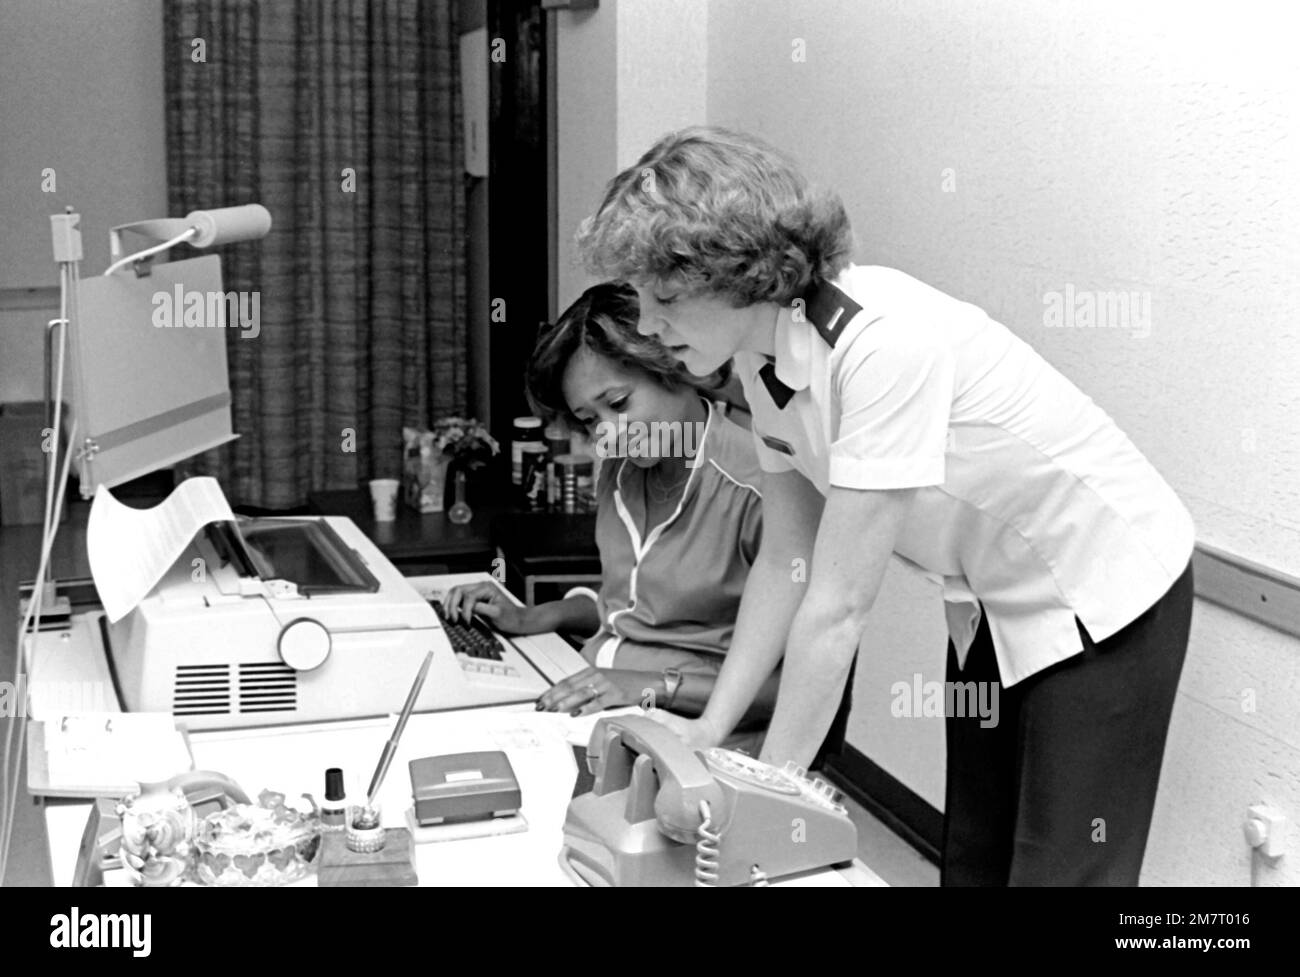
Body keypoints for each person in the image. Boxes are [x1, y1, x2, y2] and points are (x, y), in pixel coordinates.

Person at [575, 126, 1196, 886]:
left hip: (1103, 589)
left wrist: (766, 797)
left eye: (664, 296)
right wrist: (712, 726)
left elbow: (837, 610)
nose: (646, 324)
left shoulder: (881, 346)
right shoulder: (762, 361)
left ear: (737, 276)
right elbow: (788, 561)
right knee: (971, 856)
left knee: (1062, 870)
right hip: (988, 600)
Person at [442, 281, 778, 729]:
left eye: (618, 404)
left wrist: (646, 684)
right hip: (597, 704)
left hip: (694, 730)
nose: (609, 433)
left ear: (676, 367)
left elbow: (790, 689)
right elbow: (630, 605)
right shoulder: (621, 470)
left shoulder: (758, 491)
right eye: (589, 420)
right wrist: (532, 616)